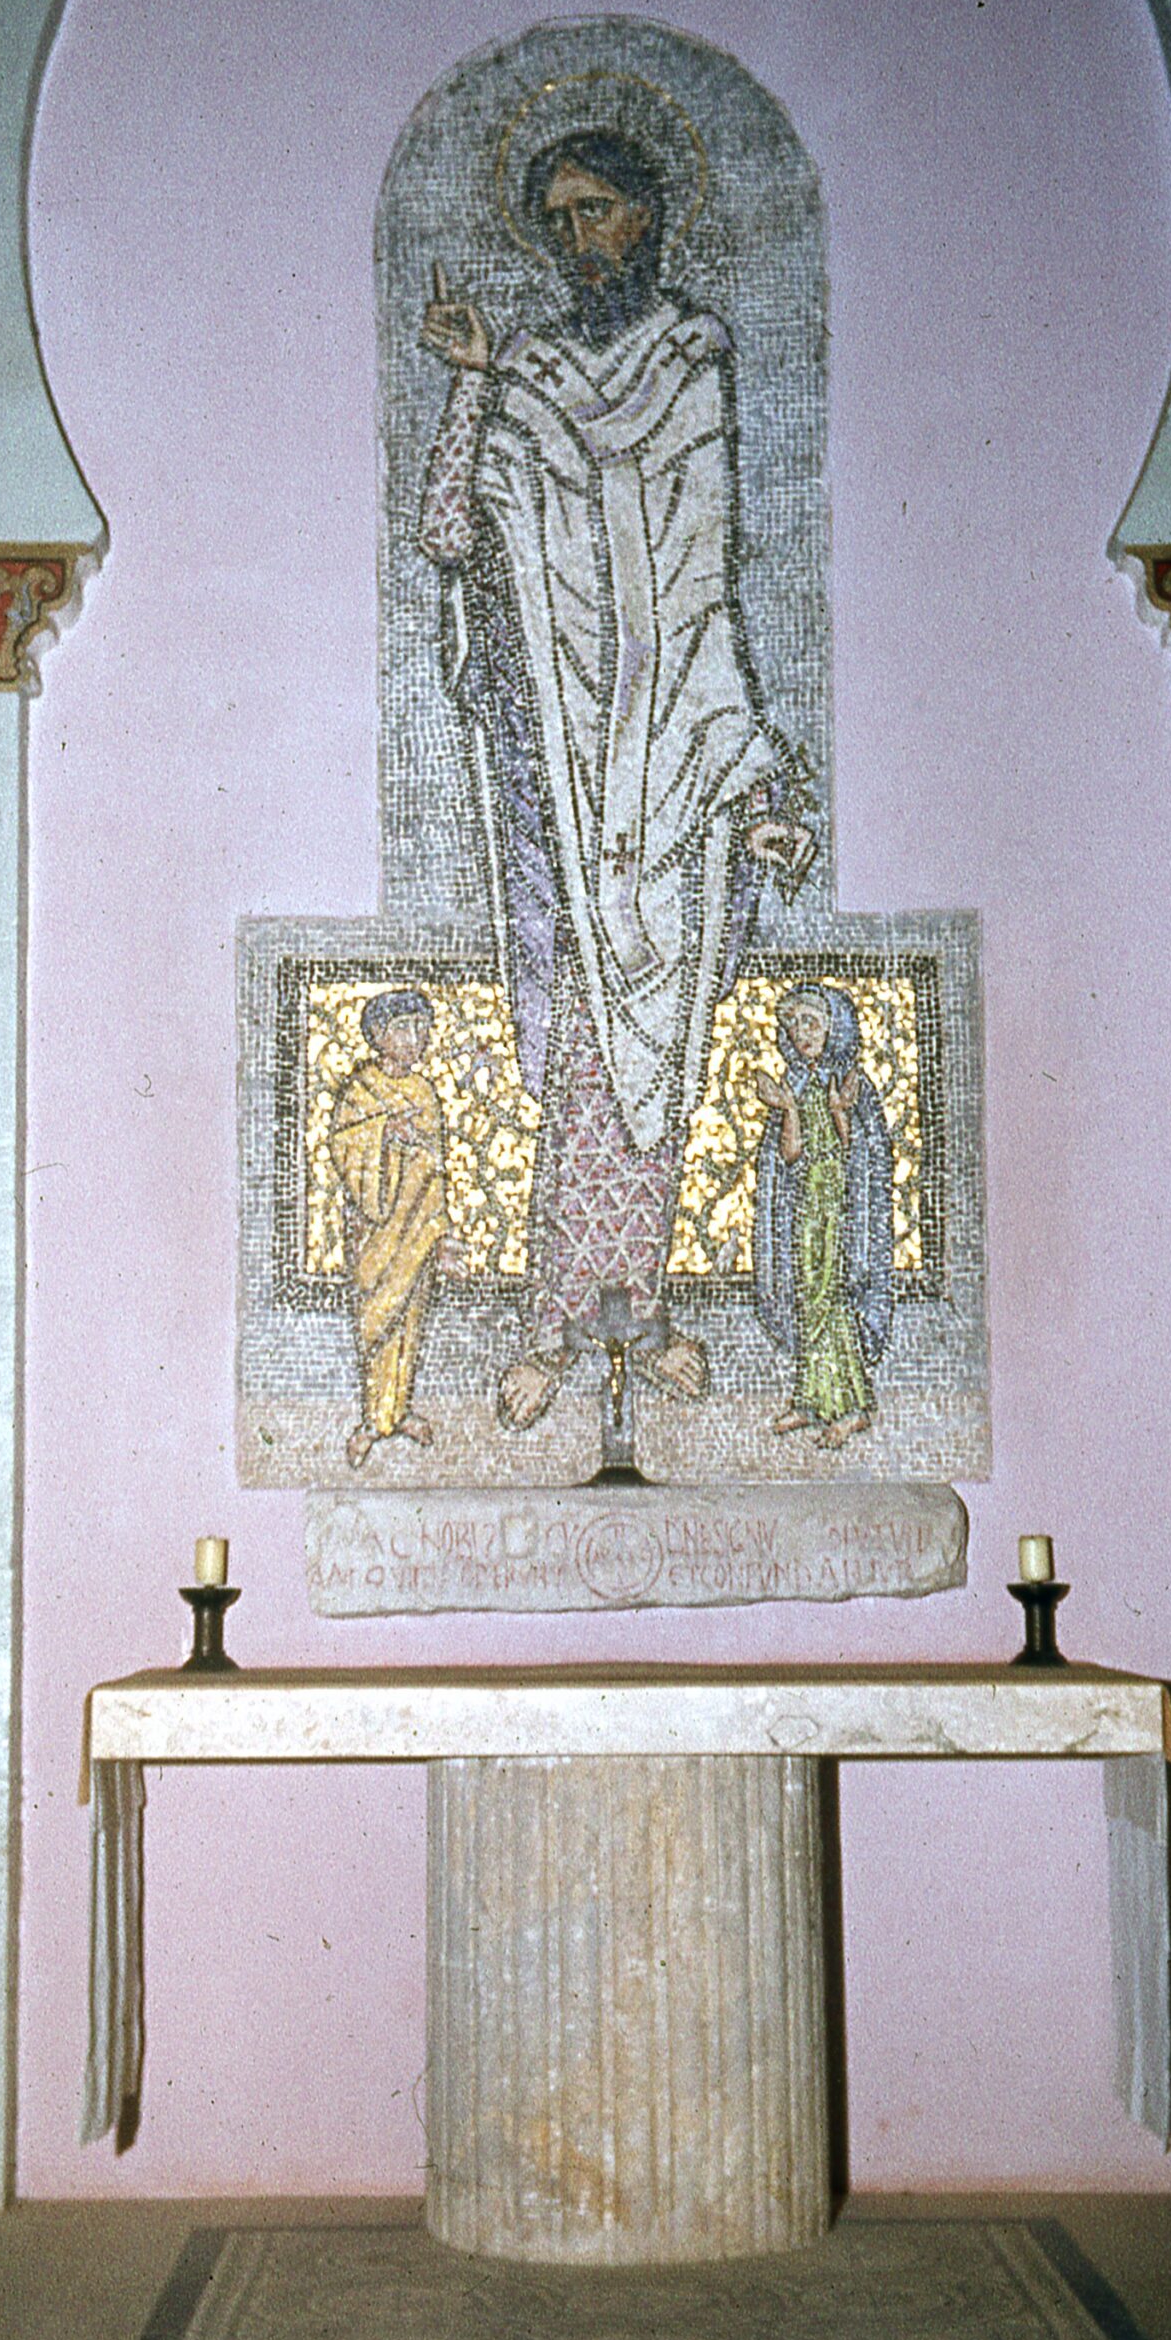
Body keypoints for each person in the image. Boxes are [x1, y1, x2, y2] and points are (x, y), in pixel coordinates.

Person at [418, 125, 813, 1430]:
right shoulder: (526, 371)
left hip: (675, 744)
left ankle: (633, 1312)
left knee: (663, 1036)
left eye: (605, 210)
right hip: (553, 751)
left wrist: (748, 778)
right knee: (582, 1045)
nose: (586, 238)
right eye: (562, 218)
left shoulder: (690, 358)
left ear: (653, 213)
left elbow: (699, 584)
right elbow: (451, 534)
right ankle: (562, 1315)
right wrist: (474, 384)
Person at [752, 985, 895, 1448]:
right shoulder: (794, 1085)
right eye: (794, 1025)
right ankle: (810, 1399)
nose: (802, 1033)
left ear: (834, 1025)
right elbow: (790, 1153)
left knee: (833, 1297)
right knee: (807, 1296)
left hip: (841, 1204)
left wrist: (839, 1111)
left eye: (811, 1022)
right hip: (805, 1206)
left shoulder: (852, 1083)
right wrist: (788, 1107)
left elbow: (861, 1153)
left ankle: (854, 1407)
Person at [329, 990, 461, 1465]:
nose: (417, 1038)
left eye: (422, 1028)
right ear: (379, 1036)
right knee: (377, 1321)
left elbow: (435, 1168)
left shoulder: (425, 1093)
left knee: (410, 1321)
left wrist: (441, 1234)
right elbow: (344, 1144)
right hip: (376, 1231)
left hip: (416, 1229)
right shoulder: (361, 1089)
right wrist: (385, 1134)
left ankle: (399, 1411)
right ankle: (371, 1420)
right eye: (405, 1027)